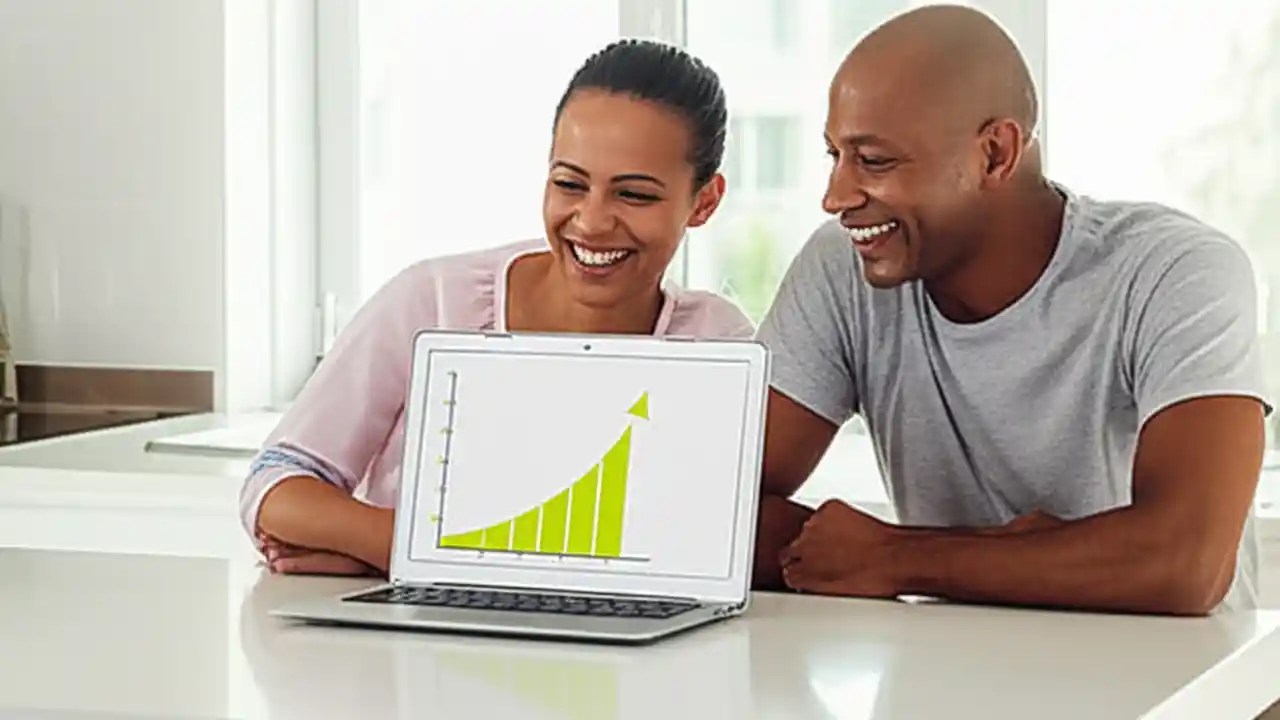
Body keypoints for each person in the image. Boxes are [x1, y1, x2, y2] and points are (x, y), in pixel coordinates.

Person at [753, 5, 1272, 615]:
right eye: (833, 155)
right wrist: (1027, 555)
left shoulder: (1174, 272)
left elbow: (1186, 565)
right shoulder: (844, 268)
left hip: (1179, 674)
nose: (835, 196)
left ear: (995, 154)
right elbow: (707, 512)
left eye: (874, 161)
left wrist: (896, 557)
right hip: (952, 666)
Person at [242, 39, 753, 577]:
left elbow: (714, 541)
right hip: (417, 628)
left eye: (634, 195)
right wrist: (401, 550)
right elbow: (276, 481)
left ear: (704, 201)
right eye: (569, 184)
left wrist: (415, 555)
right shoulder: (433, 301)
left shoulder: (718, 343)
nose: (591, 221)